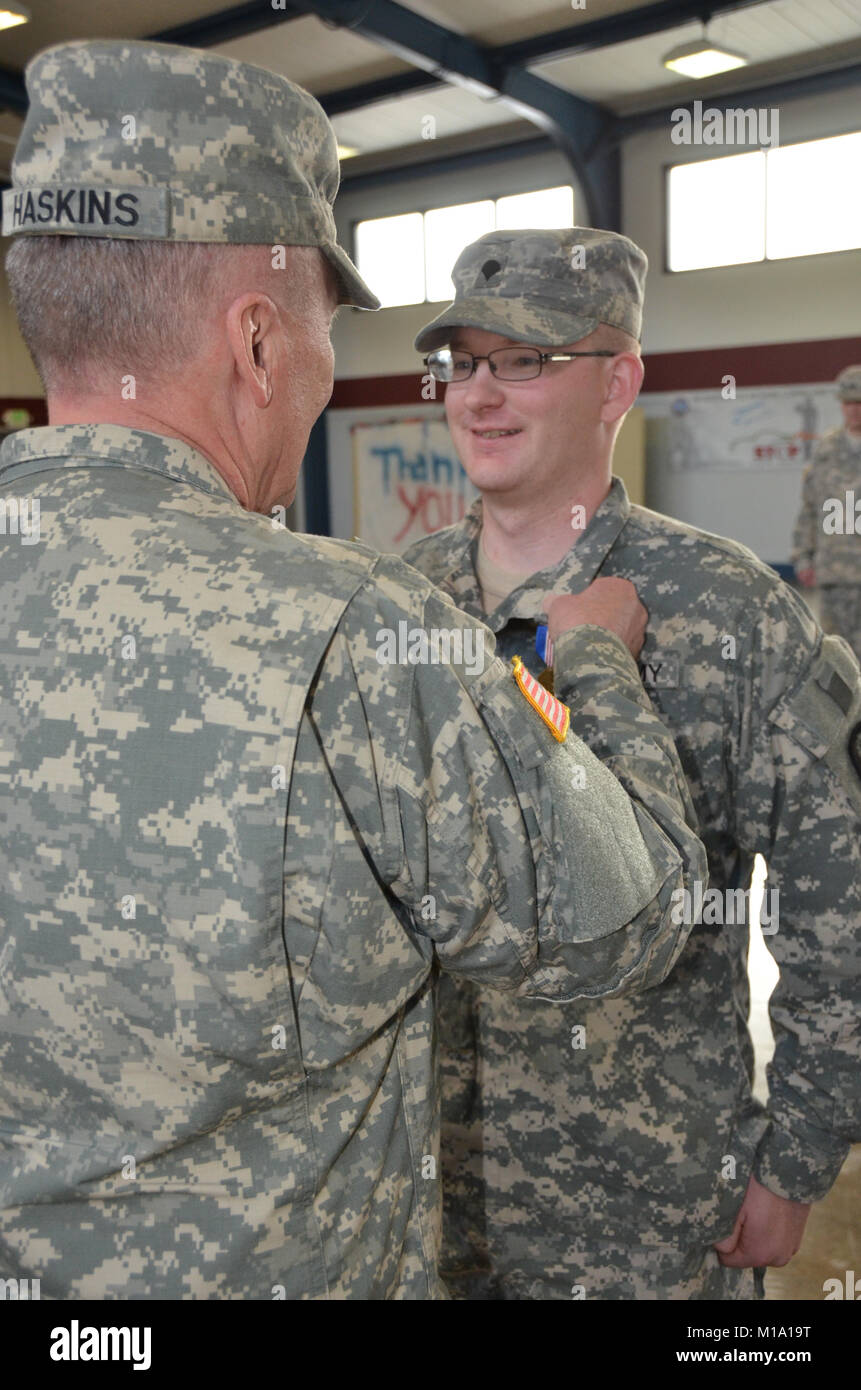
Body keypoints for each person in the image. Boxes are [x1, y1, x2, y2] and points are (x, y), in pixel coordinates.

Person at [0, 44, 706, 1300]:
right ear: (260, 339)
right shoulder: (350, 631)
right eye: (330, 330)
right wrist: (587, 664)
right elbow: (630, 915)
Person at [405, 227, 861, 1300]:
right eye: (462, 362)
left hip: (653, 1219)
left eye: (524, 360)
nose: (480, 394)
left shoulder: (733, 611)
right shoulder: (398, 607)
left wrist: (795, 1159)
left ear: (618, 382)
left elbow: (838, 903)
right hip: (432, 1210)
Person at [793, 365, 861, 658]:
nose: (855, 410)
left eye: (860, 403)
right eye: (848, 403)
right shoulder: (827, 448)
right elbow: (810, 506)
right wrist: (803, 555)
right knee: (837, 657)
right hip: (835, 572)